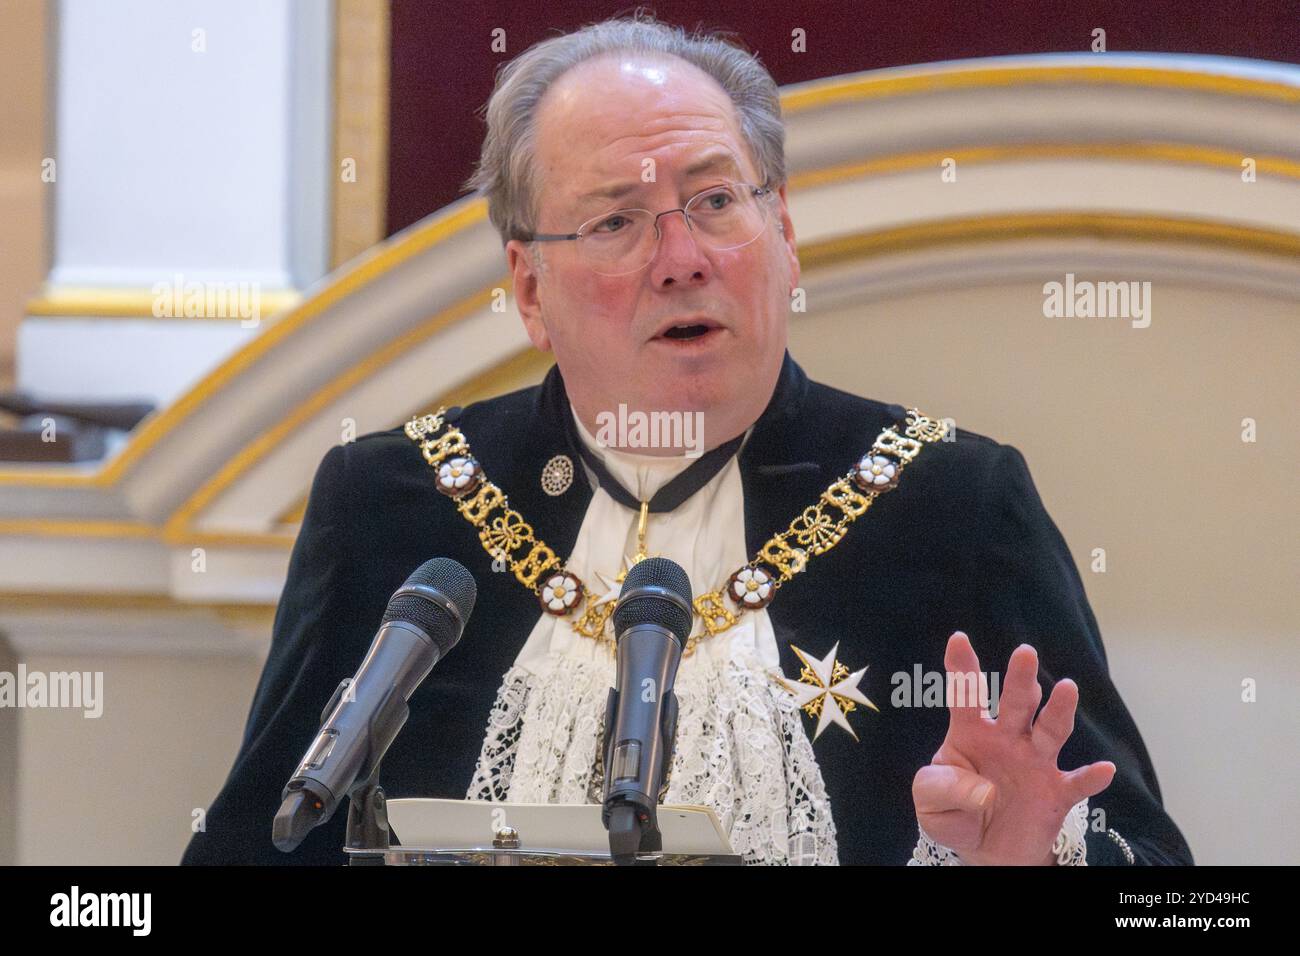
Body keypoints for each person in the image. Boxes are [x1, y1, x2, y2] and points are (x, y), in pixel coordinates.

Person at [182, 14, 1191, 866]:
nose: (681, 259)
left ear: (784, 232)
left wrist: (1033, 857)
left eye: (714, 201)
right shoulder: (394, 503)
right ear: (530, 287)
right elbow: (249, 844)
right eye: (616, 221)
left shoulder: (950, 504)